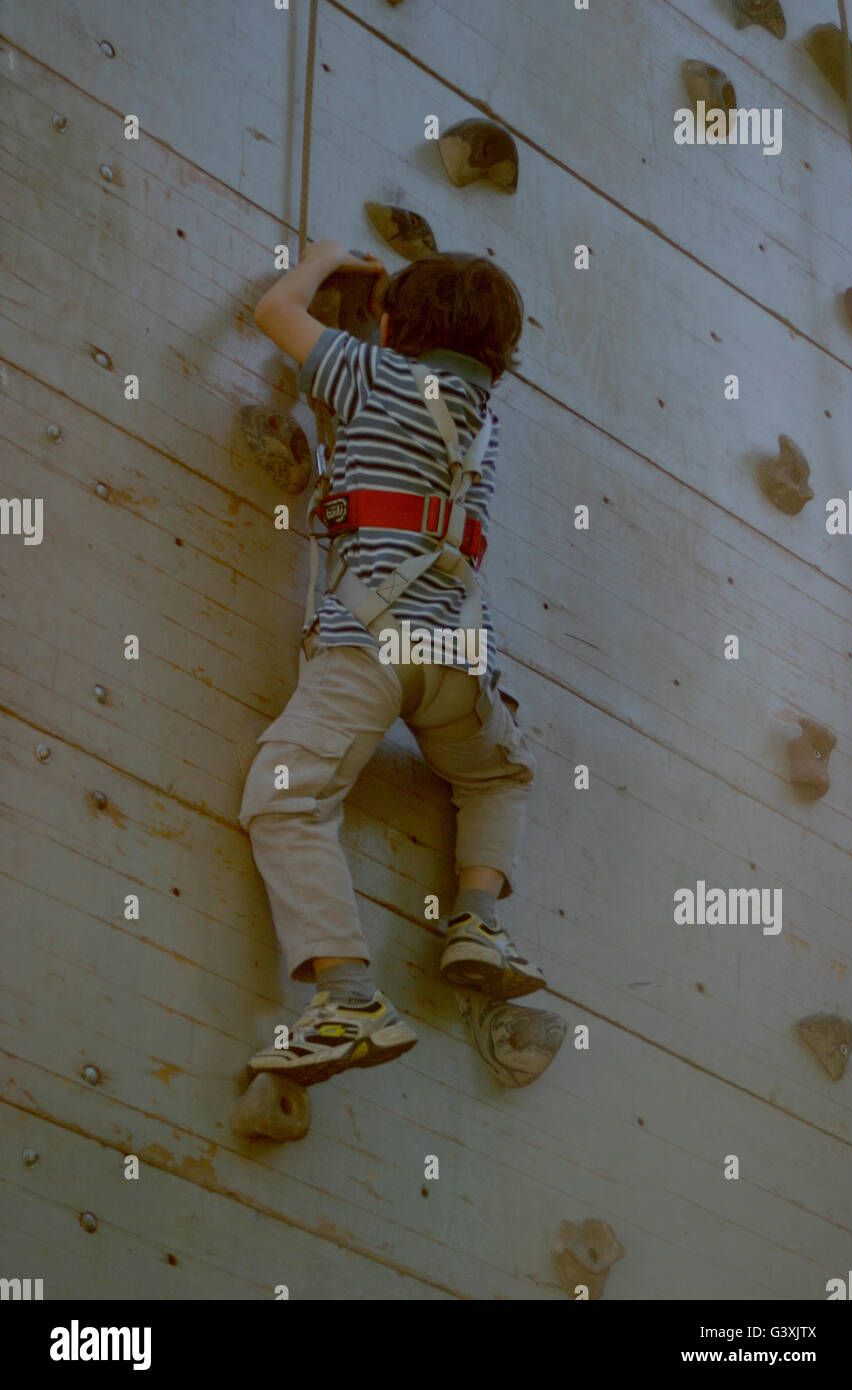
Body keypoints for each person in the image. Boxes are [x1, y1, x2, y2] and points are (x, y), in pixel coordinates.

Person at [238, 238, 545, 1086]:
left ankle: (347, 998)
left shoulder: (369, 374)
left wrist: (323, 259)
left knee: (285, 800)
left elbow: (274, 314)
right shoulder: (487, 417)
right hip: (456, 654)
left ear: (390, 324)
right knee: (495, 775)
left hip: (368, 644)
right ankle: (478, 917)